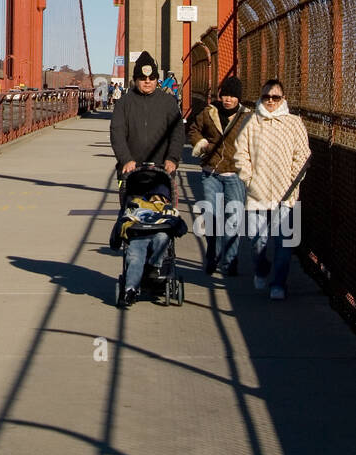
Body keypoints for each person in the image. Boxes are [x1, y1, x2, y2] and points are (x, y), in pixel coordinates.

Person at [109, 51, 185, 306]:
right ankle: (132, 285)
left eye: (152, 78)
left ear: (157, 79)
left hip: (161, 174)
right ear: (135, 80)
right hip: (133, 175)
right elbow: (117, 133)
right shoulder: (125, 103)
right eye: (143, 79)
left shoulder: (167, 102)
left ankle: (154, 270)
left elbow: (177, 133)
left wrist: (173, 159)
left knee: (162, 233)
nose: (148, 82)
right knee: (136, 232)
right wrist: (125, 159)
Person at [233, 78, 310, 300]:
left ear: (283, 99)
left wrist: (293, 182)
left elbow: (302, 155)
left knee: (284, 243)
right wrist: (249, 180)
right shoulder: (251, 122)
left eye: (275, 97)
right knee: (257, 242)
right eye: (266, 97)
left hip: (286, 195)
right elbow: (241, 154)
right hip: (258, 194)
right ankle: (261, 269)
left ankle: (278, 284)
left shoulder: (294, 123)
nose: (270, 101)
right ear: (261, 97)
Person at [187, 75, 250, 277]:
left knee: (233, 218)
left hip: (235, 174)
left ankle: (230, 260)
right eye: (225, 95)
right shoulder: (208, 113)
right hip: (211, 172)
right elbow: (193, 130)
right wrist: (199, 142)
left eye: (232, 96)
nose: (228, 99)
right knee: (211, 217)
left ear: (239, 98)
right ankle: (212, 253)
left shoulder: (248, 118)